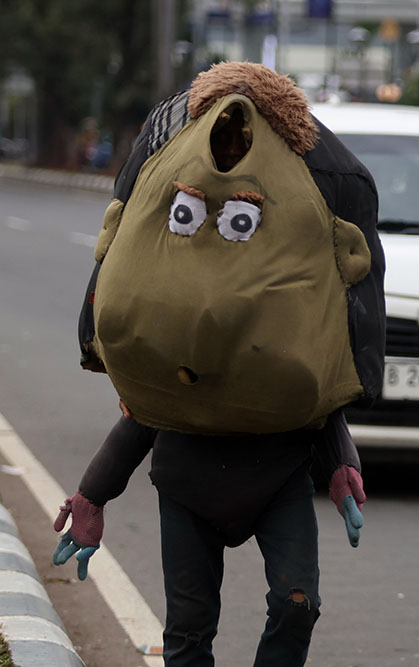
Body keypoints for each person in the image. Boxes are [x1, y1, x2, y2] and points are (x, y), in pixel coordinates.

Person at [50, 61, 385, 666]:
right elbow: (142, 417)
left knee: (296, 603)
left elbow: (314, 386)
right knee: (189, 629)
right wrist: (91, 498)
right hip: (187, 479)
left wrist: (341, 464)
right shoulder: (172, 311)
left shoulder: (295, 224)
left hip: (277, 472)